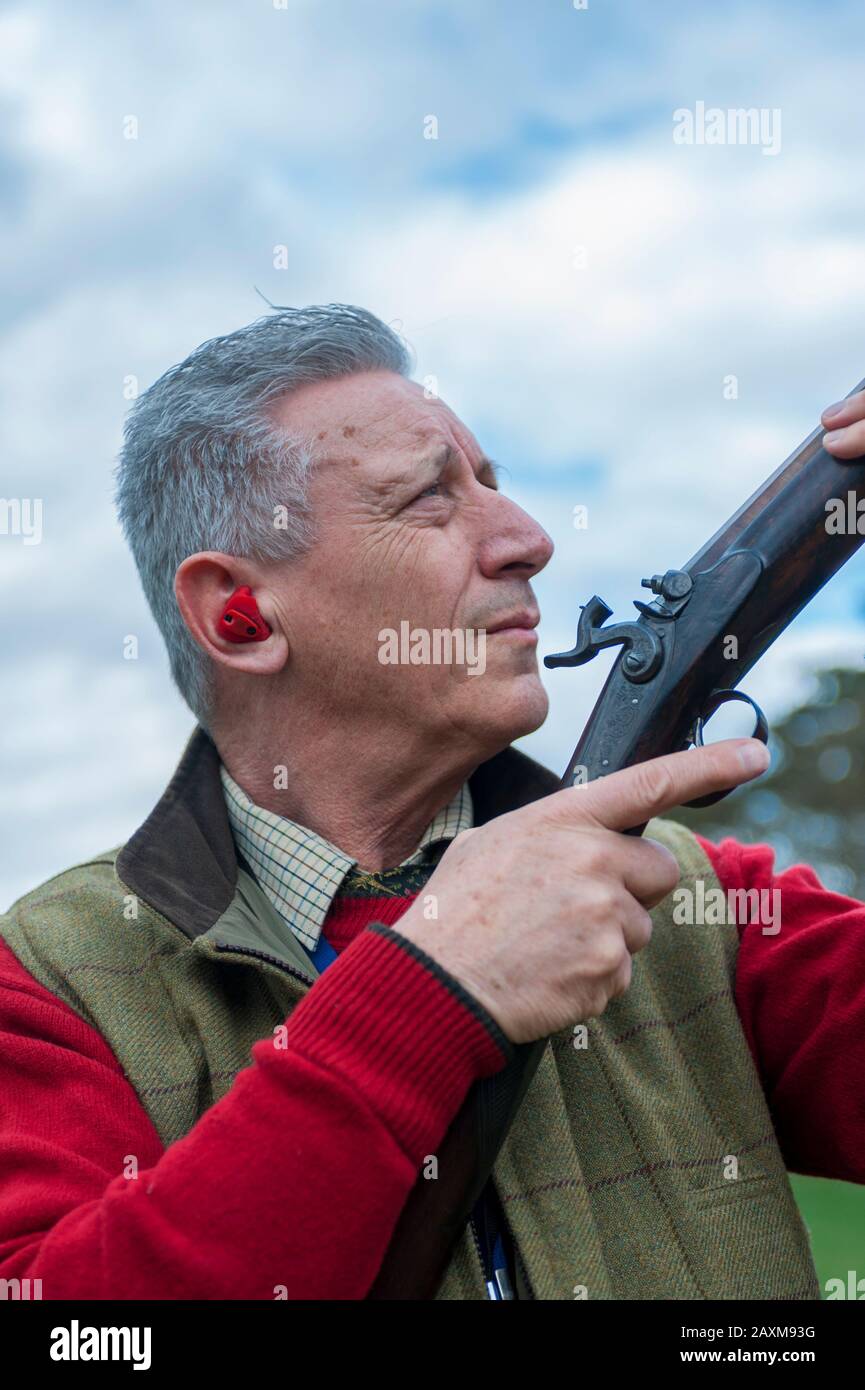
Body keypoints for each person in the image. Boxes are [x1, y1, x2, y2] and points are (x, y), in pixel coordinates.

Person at [1, 305, 863, 1301]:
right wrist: (433, 987)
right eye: (427, 499)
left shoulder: (700, 903)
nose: (529, 540)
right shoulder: (51, 982)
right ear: (237, 617)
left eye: (492, 484)